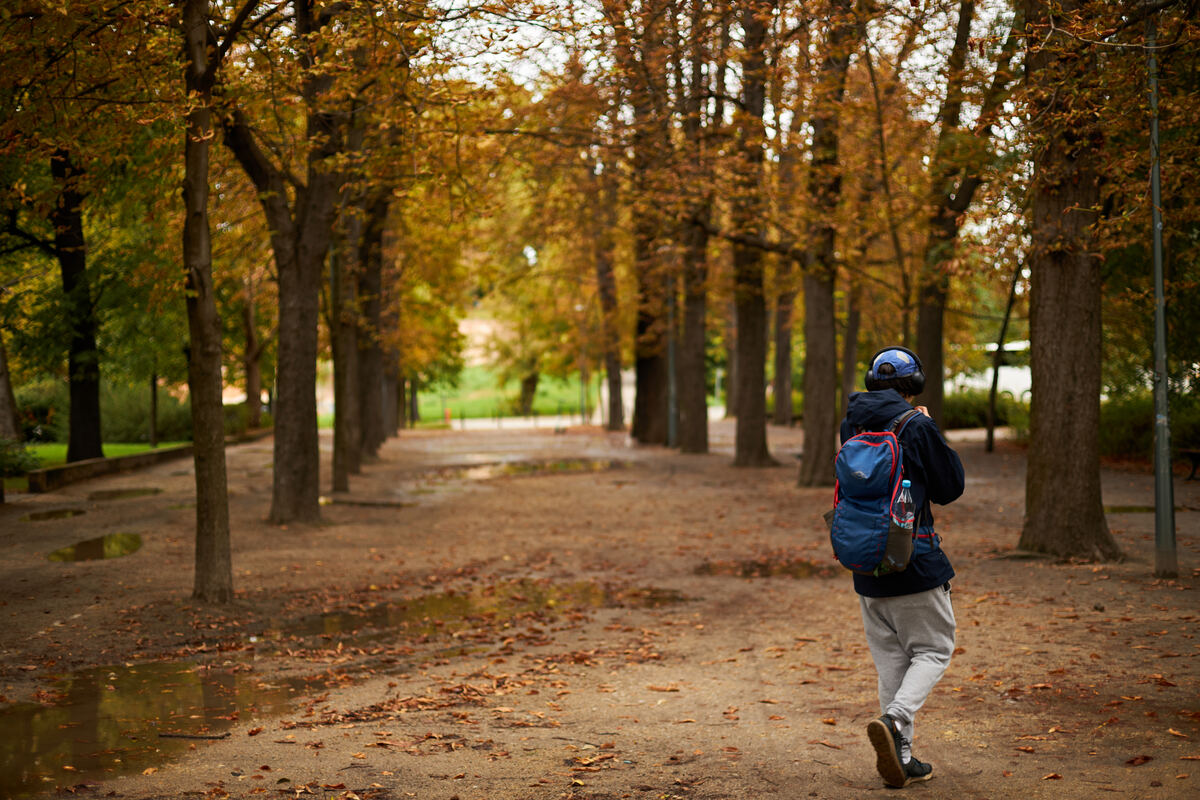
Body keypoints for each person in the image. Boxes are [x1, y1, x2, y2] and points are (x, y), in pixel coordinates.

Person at [840, 346, 965, 788]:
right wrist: (929, 428)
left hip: (866, 562)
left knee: (892, 662)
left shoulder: (852, 424)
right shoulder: (916, 425)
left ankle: (902, 758)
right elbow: (950, 488)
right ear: (915, 385)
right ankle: (895, 722)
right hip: (915, 559)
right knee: (934, 651)